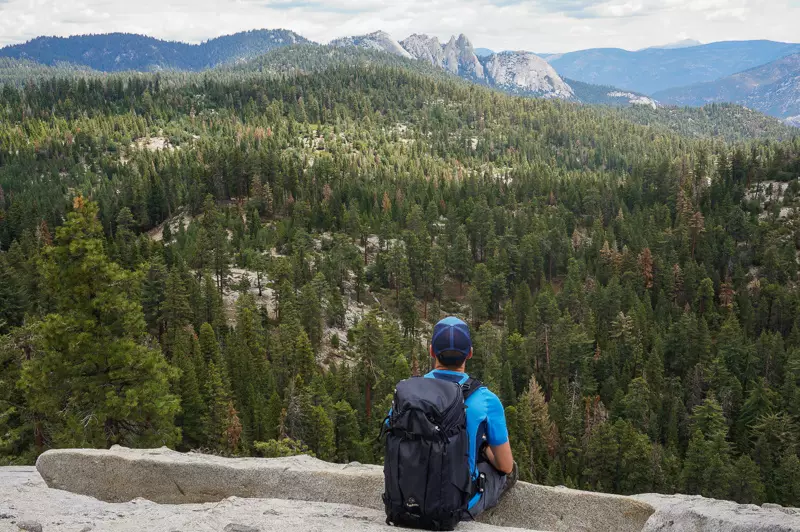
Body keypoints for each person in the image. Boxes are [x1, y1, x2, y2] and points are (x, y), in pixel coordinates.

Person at [425, 316, 517, 519]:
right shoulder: (485, 399)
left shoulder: (408, 392)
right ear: (470, 353)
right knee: (510, 470)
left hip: (408, 495)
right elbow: (505, 465)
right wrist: (484, 449)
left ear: (432, 351)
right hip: (458, 505)